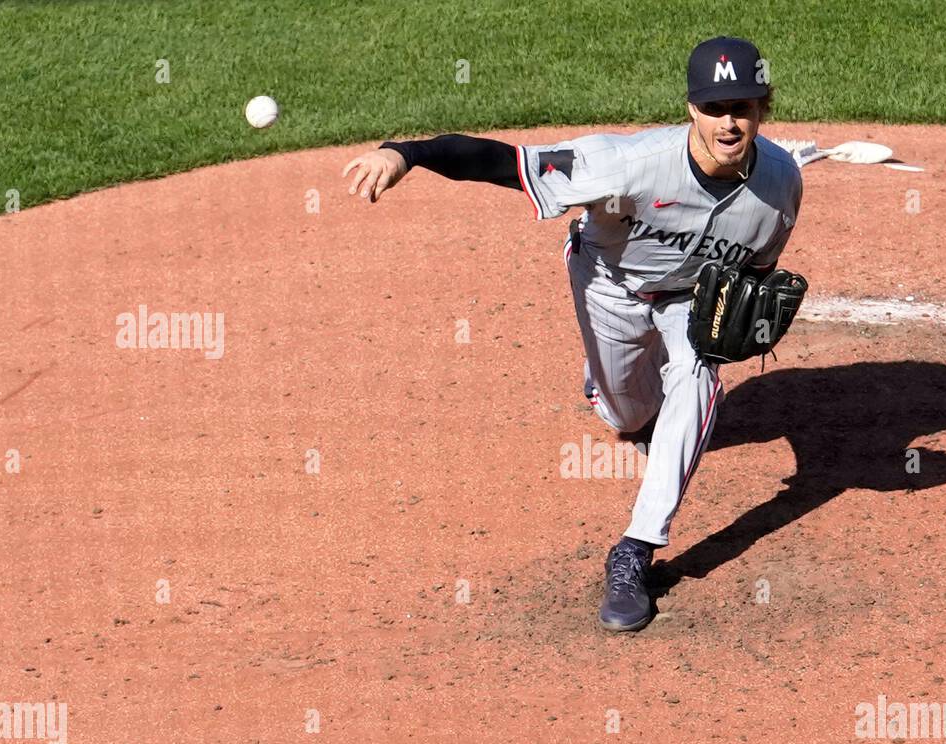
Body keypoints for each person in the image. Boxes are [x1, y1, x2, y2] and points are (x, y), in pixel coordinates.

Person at [343, 36, 802, 632]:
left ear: (763, 108)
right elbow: (504, 163)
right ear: (692, 108)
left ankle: (635, 549)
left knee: (698, 377)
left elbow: (755, 273)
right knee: (627, 417)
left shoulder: (781, 184)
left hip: (689, 299)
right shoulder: (626, 164)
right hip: (609, 284)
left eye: (743, 106)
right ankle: (618, 400)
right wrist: (405, 154)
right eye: (715, 108)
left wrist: (738, 323)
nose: (729, 122)